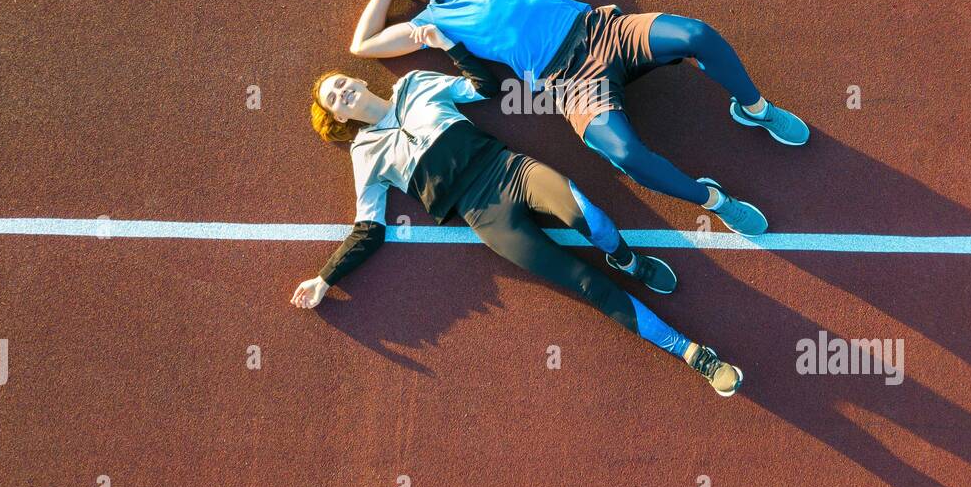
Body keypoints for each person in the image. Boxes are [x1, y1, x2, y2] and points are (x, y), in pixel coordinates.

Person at [291, 24, 744, 397]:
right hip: (484, 217)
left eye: (340, 84)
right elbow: (368, 228)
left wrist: (450, 45)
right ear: (339, 118)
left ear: (358, 80)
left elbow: (483, 88)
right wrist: (324, 277)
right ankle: (692, 353)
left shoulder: (415, 85)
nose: (342, 94)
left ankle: (628, 259)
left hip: (508, 169)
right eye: (333, 99)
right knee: (585, 284)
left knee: (594, 219)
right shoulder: (364, 154)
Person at [347, 0, 810, 237]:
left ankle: (756, 110)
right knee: (627, 154)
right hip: (569, 82)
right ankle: (714, 200)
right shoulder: (435, 23)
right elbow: (362, 45)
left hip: (601, 31)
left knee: (697, 34)